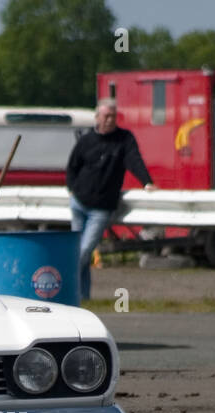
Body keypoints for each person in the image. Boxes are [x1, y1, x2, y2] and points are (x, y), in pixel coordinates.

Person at [65, 99, 155, 299]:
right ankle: (83, 297)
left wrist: (146, 181)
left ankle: (69, 293)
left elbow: (134, 160)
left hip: (101, 208)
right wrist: (71, 189)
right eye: (106, 116)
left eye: (113, 116)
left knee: (84, 251)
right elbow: (72, 166)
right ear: (97, 117)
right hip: (79, 202)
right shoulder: (86, 140)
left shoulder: (124, 139)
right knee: (80, 254)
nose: (109, 120)